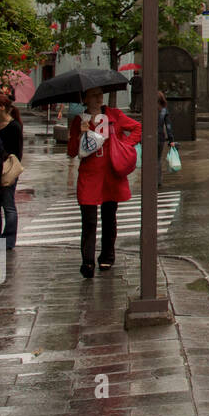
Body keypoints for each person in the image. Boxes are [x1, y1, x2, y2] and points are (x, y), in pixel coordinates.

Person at [68, 87, 140, 278]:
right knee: (89, 220)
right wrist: (79, 135)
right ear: (85, 99)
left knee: (109, 217)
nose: (99, 98)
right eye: (94, 95)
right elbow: (72, 151)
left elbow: (137, 128)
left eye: (101, 94)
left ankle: (107, 256)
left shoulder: (113, 115)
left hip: (110, 172)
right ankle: (88, 262)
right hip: (89, 173)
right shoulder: (79, 120)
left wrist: (124, 145)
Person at [0, 94, 23, 251]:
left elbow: (17, 153)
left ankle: (9, 240)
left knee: (8, 204)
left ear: (2, 108)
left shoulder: (14, 127)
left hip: (7, 170)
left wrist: (4, 157)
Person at [157, 91, 175, 188]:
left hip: (149, 136)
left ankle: (151, 178)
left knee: (149, 158)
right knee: (158, 159)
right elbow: (168, 126)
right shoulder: (164, 110)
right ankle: (158, 180)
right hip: (160, 137)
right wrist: (171, 139)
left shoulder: (149, 108)